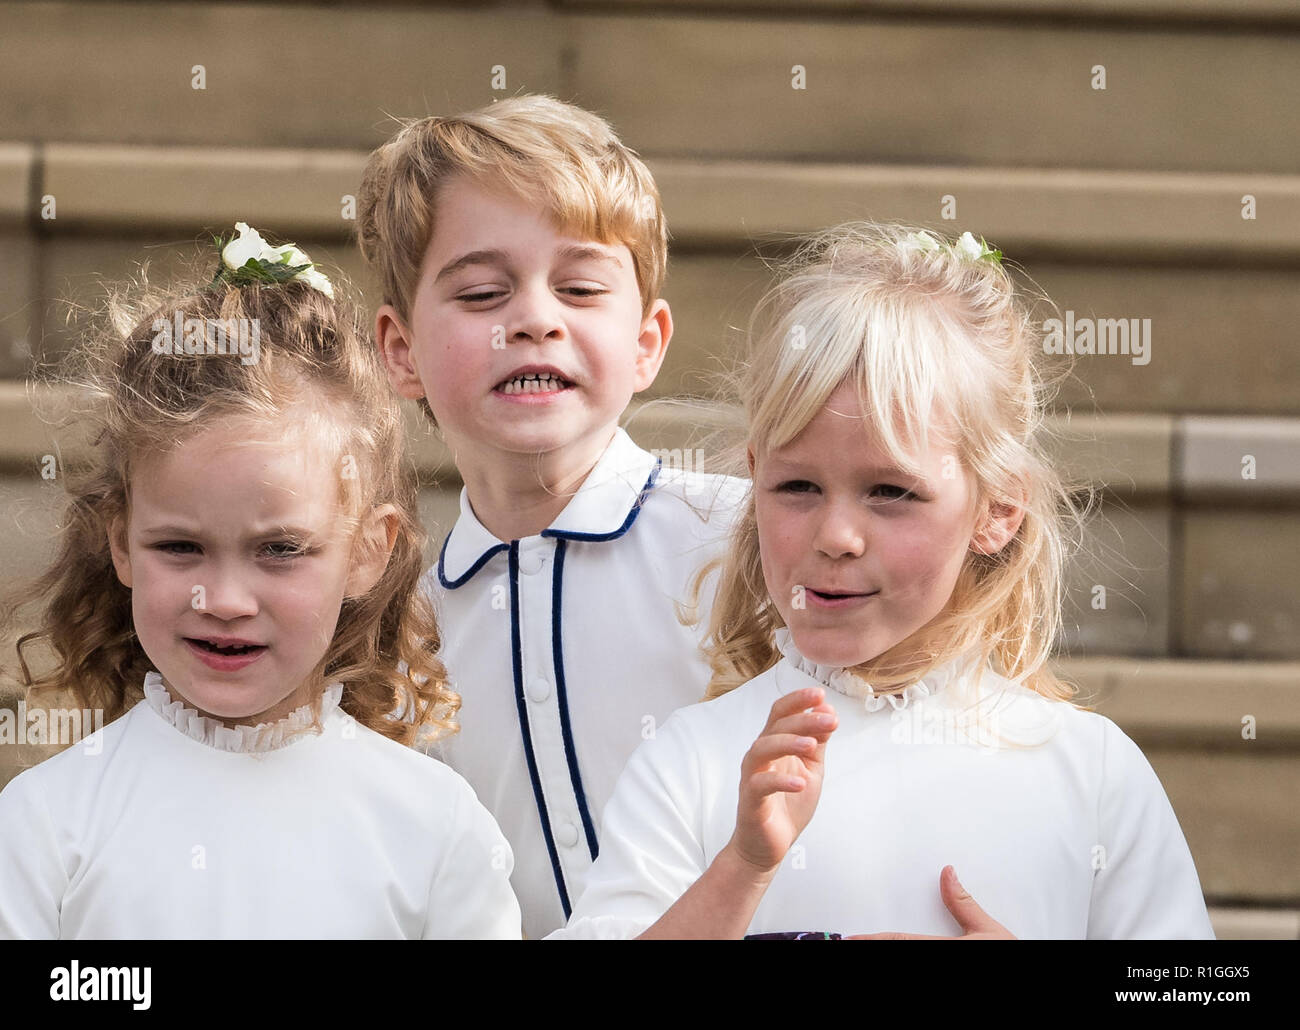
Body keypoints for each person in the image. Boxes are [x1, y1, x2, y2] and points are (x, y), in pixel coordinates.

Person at [551, 224, 1215, 939]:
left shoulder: (1091, 770)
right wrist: (743, 867)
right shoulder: (697, 758)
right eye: (797, 485)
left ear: (998, 510)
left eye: (891, 492)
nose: (836, 536)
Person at [0, 225, 521, 939]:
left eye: (279, 549)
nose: (224, 600)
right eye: (180, 546)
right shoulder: (45, 823)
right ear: (121, 542)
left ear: (370, 550)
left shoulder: (437, 828)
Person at [357, 95, 748, 937]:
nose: (535, 319)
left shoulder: (746, 546)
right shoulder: (397, 633)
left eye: (578, 287)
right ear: (400, 351)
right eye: (483, 292)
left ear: (646, 342)